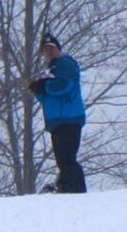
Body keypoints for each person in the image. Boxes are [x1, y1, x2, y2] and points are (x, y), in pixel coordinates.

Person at [29, 32, 87, 193]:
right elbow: (48, 99)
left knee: (66, 158)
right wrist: (39, 90)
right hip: (57, 120)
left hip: (68, 118)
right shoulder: (52, 68)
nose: (49, 52)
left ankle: (74, 190)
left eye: (52, 48)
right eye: (45, 50)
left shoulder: (64, 64)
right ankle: (66, 187)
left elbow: (64, 85)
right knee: (63, 159)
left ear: (58, 49)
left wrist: (44, 86)